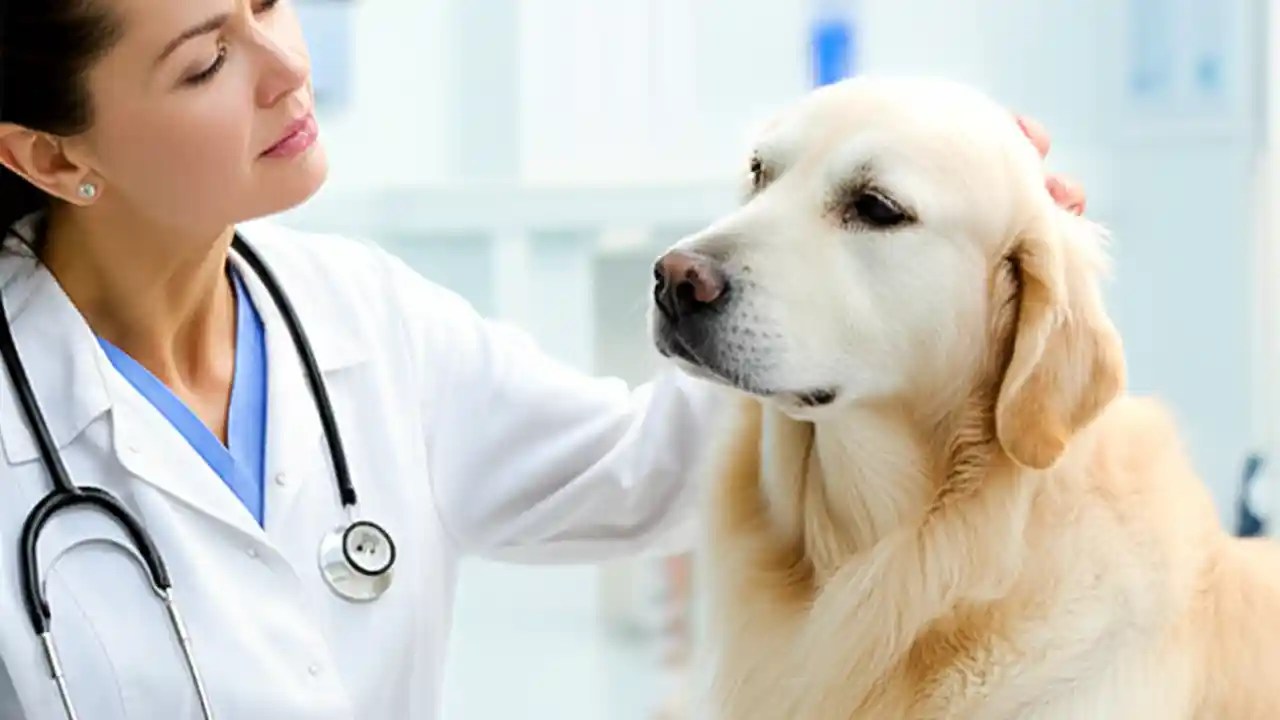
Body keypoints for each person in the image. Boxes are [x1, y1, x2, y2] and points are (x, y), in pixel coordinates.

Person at [0, 1, 1084, 718]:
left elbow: (642, 471)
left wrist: (919, 292)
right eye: (206, 62)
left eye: (270, 1)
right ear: (54, 155)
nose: (288, 68)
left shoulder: (365, 322)